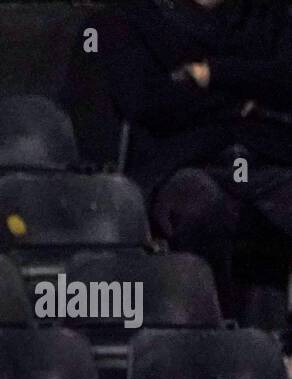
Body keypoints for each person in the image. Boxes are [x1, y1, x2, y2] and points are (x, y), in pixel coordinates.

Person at [101, 0, 292, 326]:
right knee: (199, 205)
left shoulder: (270, 17)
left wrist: (213, 74)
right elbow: (149, 103)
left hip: (262, 158)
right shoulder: (131, 19)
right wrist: (242, 101)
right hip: (183, 161)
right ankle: (209, 333)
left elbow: (286, 81)